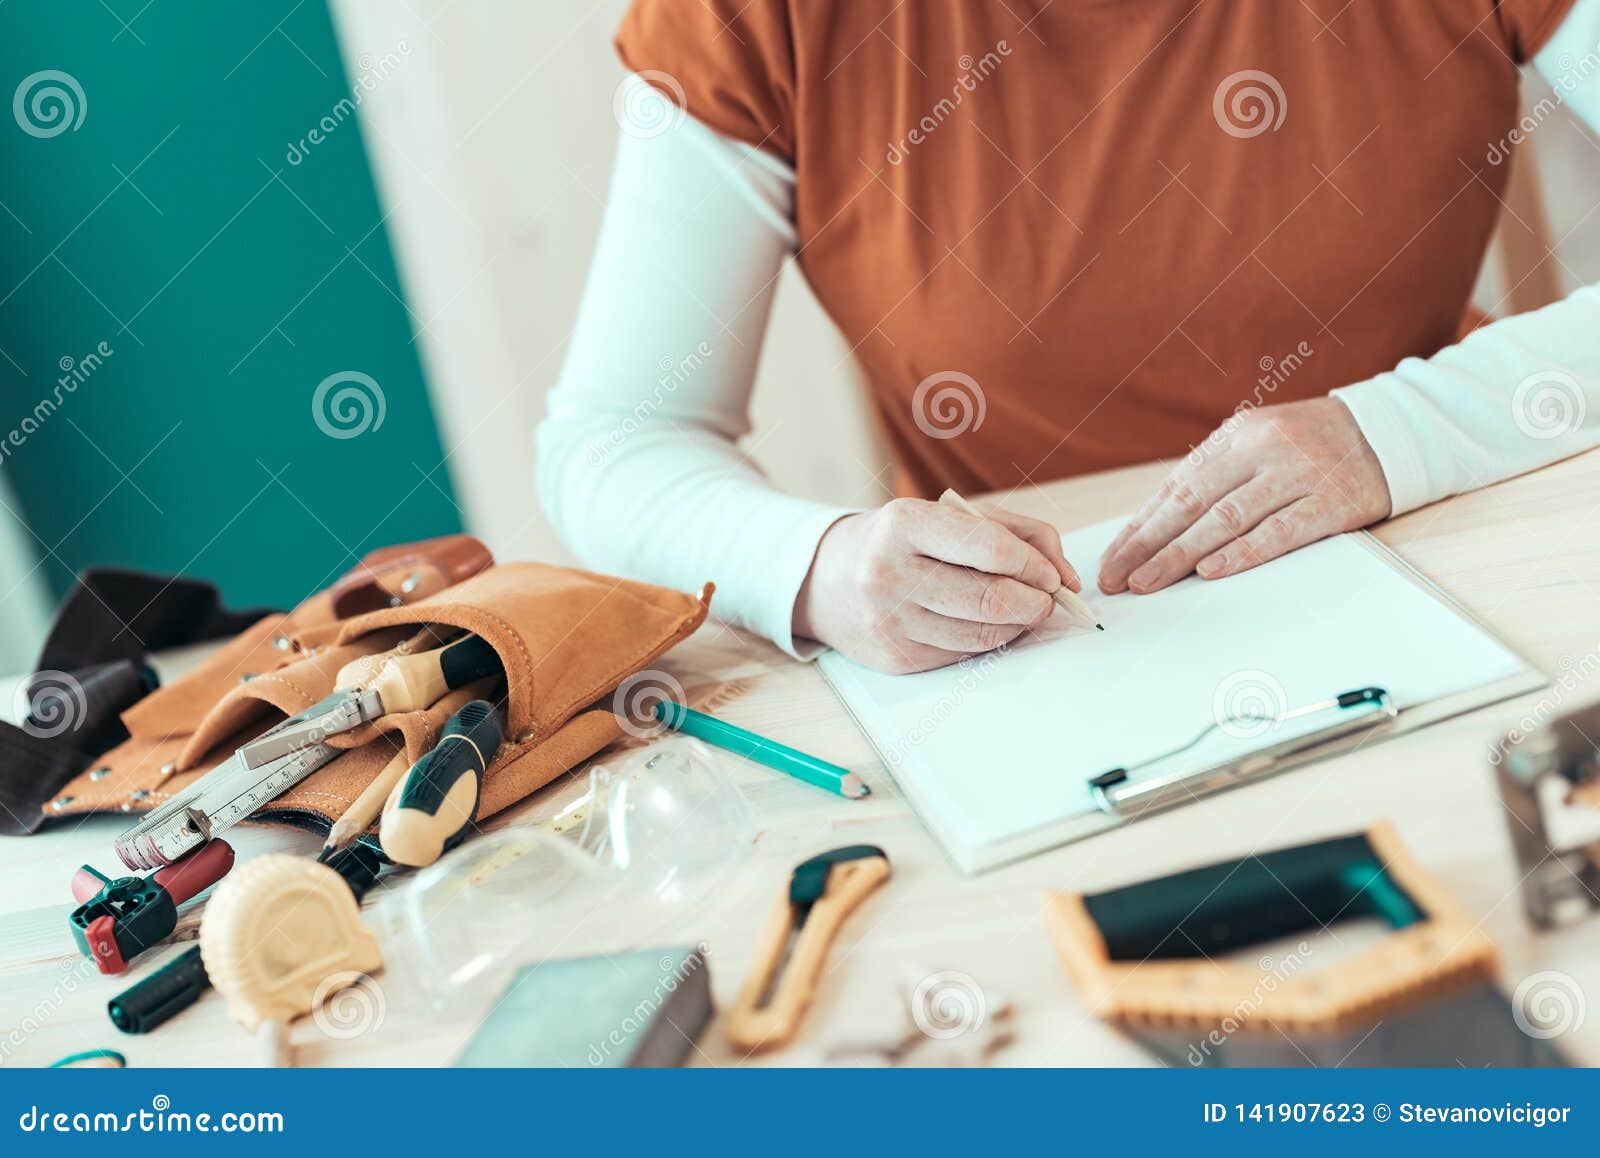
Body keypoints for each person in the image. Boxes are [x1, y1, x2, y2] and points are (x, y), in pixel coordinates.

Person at [539, 0, 1600, 674]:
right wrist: (820, 568)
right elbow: (615, 442)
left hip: (1452, 552)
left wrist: (1395, 431)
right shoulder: (753, 16)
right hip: (1044, 653)